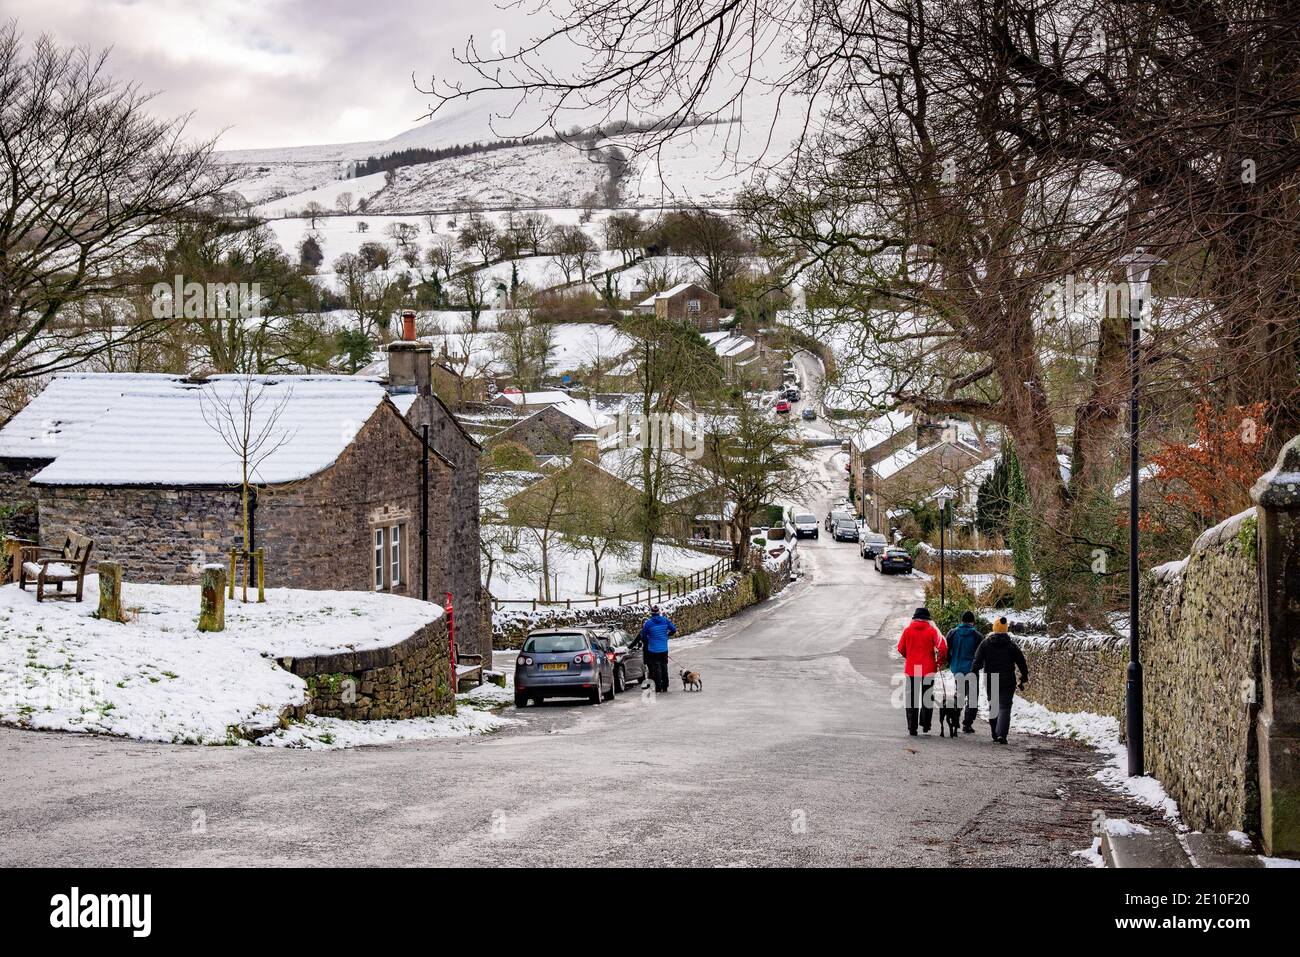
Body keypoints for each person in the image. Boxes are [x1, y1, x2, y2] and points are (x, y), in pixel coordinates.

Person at [971, 616, 1029, 744]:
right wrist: (1024, 676)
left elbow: (977, 660)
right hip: (1008, 678)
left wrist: (974, 670)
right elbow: (1021, 661)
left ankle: (994, 732)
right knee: (1005, 707)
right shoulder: (1010, 645)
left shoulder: (986, 643)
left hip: (992, 678)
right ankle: (1001, 734)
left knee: (994, 705)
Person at [897, 607, 947, 735]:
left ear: (914, 618)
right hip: (928, 668)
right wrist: (939, 662)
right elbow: (942, 647)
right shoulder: (932, 631)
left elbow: (900, 648)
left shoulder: (907, 630)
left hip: (912, 669)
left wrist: (909, 657)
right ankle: (925, 724)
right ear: (927, 619)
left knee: (911, 698)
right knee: (927, 697)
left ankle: (912, 727)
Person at [944, 610, 984, 734]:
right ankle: (967, 724)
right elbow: (981, 654)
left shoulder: (952, 633)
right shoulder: (977, 636)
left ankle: (954, 716)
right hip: (972, 670)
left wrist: (951, 662)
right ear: (973, 621)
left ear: (961, 620)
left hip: (957, 669)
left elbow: (946, 649)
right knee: (972, 696)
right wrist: (979, 665)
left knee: (960, 692)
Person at [634, 604, 677, 693]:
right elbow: (673, 629)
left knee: (656, 667)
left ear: (651, 613)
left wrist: (648, 641)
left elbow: (643, 635)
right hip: (664, 648)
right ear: (659, 612)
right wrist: (667, 635)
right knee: (664, 666)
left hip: (653, 649)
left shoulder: (648, 623)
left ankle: (658, 686)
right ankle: (665, 685)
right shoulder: (665, 621)